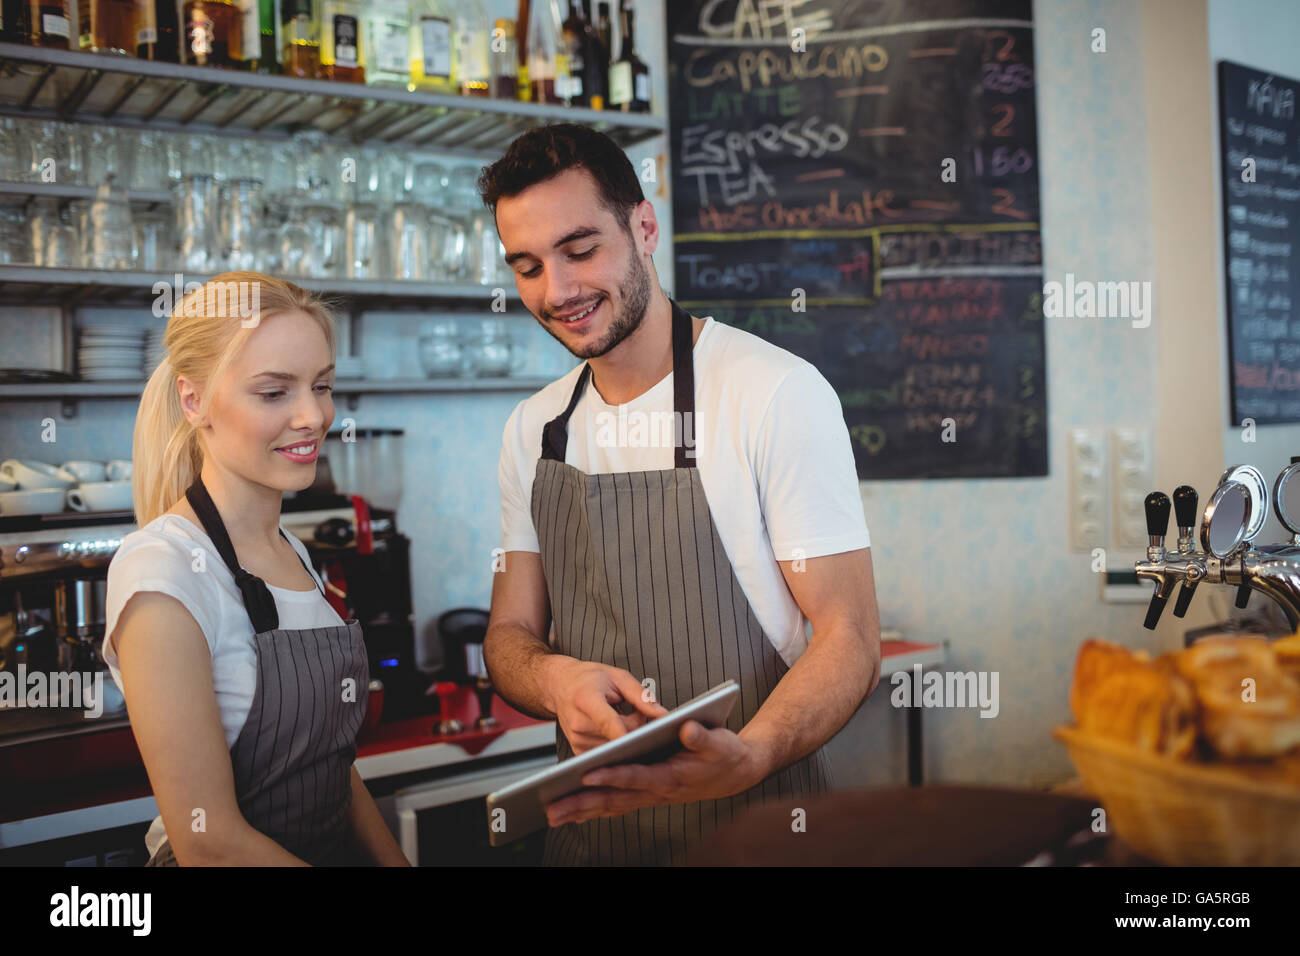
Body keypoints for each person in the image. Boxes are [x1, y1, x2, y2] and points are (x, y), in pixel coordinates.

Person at [479, 124, 882, 865]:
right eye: (528, 266)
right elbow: (508, 639)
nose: (558, 291)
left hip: (757, 826)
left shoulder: (776, 394)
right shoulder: (532, 430)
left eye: (579, 250)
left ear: (643, 226)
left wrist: (751, 753)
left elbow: (850, 637)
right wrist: (555, 677)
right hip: (592, 839)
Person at [103, 273, 408, 866]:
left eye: (321, 386)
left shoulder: (292, 550)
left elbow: (329, 767)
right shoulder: (162, 572)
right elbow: (208, 842)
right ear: (195, 402)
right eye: (274, 393)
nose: (313, 416)